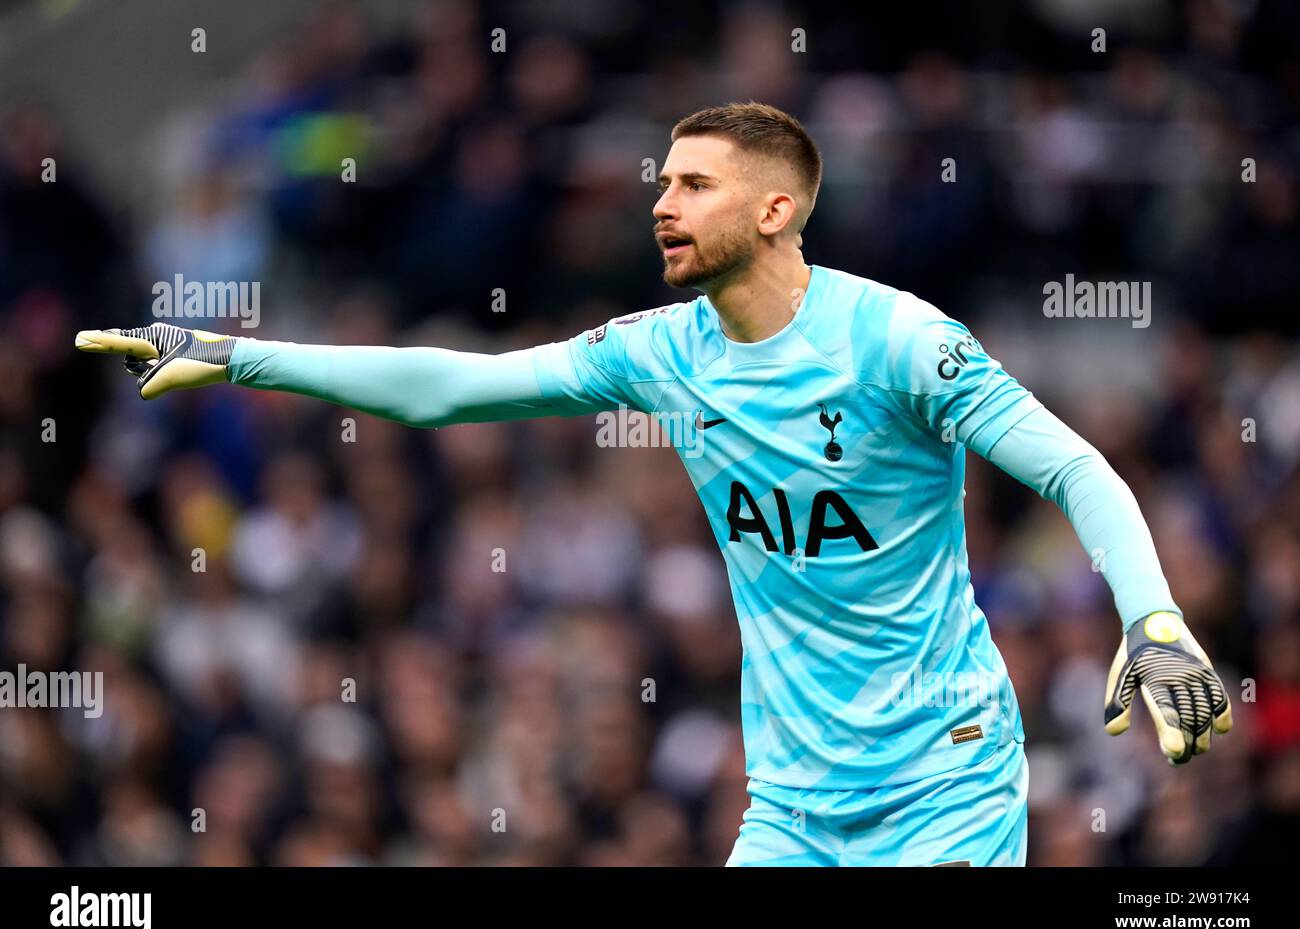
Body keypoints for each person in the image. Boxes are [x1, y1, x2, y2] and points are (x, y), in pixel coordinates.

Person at [76, 101, 1232, 866]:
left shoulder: (896, 343)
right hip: (790, 804)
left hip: (945, 786)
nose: (660, 204)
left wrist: (1154, 614)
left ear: (775, 210)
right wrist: (240, 354)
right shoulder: (659, 349)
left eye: (693, 185)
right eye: (662, 182)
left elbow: (1079, 465)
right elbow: (449, 387)